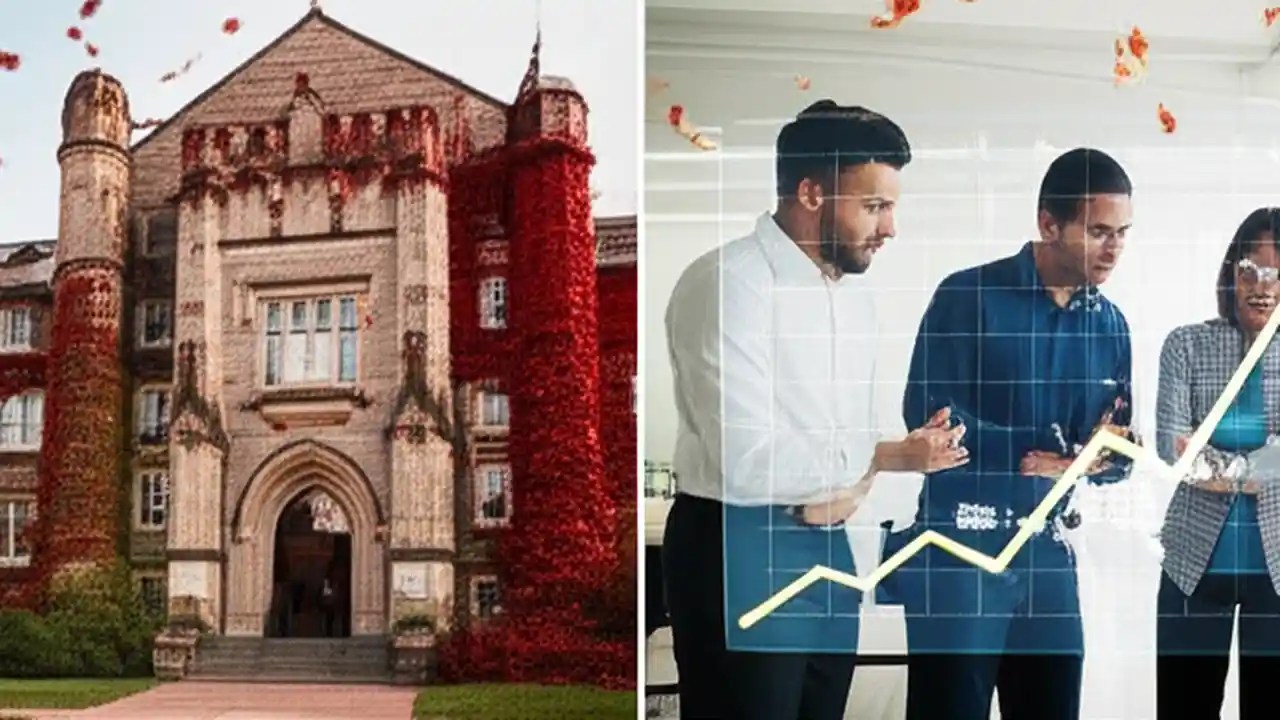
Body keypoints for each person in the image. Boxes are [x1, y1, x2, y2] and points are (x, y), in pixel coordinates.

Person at [662, 100, 969, 720]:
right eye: (874, 206)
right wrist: (883, 457)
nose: (890, 228)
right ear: (810, 193)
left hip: (831, 548)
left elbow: (851, 441)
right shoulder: (728, 285)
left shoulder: (856, 301)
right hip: (738, 545)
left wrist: (859, 478)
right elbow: (747, 460)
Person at [886, 147, 1138, 720]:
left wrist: (1108, 454)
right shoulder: (968, 296)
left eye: (1123, 232)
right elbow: (927, 413)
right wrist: (1040, 448)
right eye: (1099, 231)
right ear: (1049, 224)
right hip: (959, 550)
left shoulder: (1110, 325)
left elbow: (1112, 445)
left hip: (1047, 553)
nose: (1115, 248)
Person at [1155, 207, 1280, 719]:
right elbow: (1173, 449)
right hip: (1192, 566)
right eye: (1251, 268)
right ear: (1231, 272)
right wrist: (1257, 466)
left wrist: (1213, 466)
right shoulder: (1186, 344)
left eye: (1277, 273)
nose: (1263, 286)